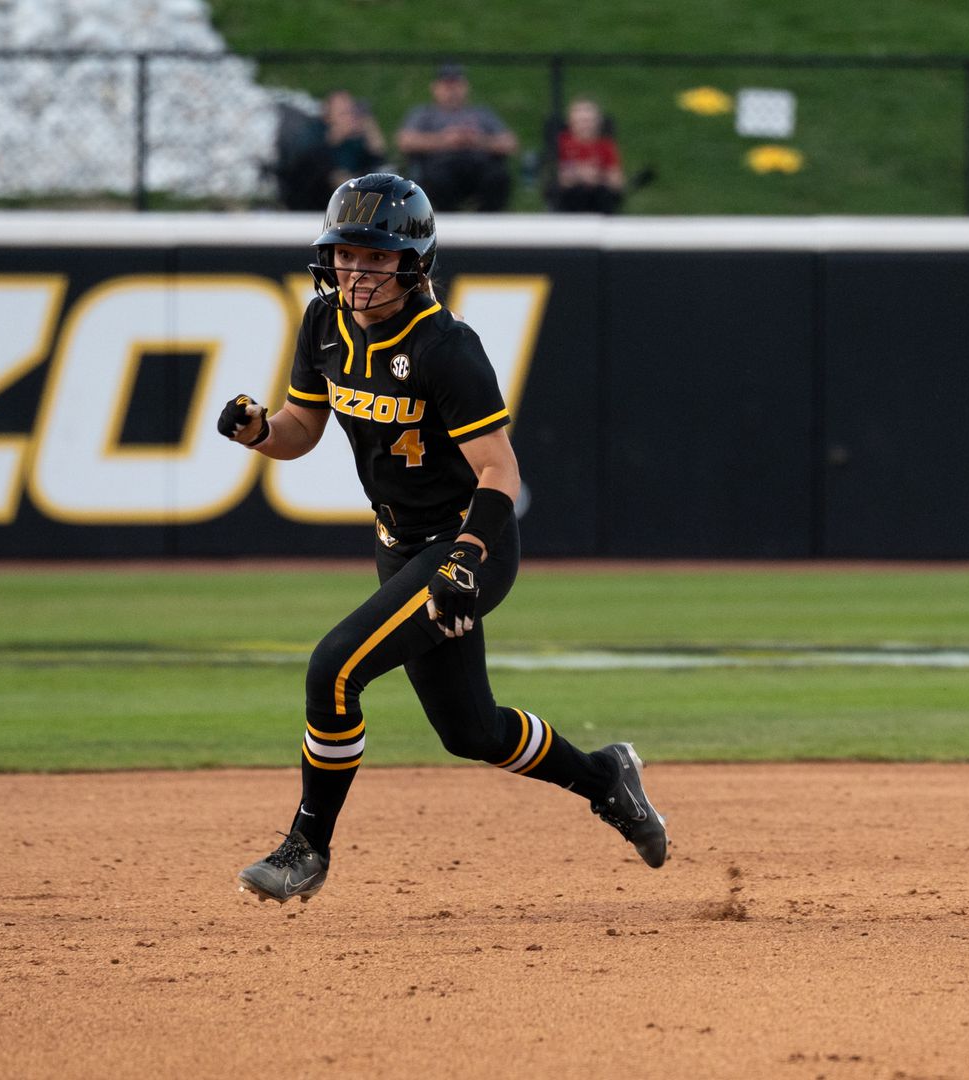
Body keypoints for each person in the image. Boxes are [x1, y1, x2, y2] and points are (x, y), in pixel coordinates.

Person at [216, 173, 667, 903]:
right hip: (400, 542)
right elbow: (301, 431)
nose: (357, 272)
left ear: (413, 261)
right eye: (346, 255)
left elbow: (500, 471)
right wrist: (260, 433)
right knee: (473, 732)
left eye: (376, 256)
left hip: (467, 544)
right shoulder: (321, 323)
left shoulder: (445, 347)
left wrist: (464, 559)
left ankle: (307, 847)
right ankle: (605, 778)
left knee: (333, 670)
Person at [395, 64, 517, 213]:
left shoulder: (482, 114)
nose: (452, 91)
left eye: (457, 85)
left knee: (497, 177)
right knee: (436, 180)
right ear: (435, 88)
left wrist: (479, 141)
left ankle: (487, 222)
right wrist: (445, 140)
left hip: (478, 165)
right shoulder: (424, 114)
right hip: (441, 166)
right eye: (447, 86)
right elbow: (405, 141)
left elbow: (510, 143)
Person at [276, 90, 387, 212]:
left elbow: (378, 159)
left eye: (352, 112)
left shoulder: (356, 140)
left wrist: (369, 126)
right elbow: (304, 164)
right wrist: (334, 139)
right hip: (310, 204)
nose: (349, 118)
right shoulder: (314, 133)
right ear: (328, 117)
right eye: (343, 114)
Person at [552, 97, 625, 214]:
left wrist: (598, 176)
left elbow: (617, 181)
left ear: (598, 122)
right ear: (571, 122)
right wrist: (580, 174)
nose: (585, 125)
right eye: (581, 121)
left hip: (599, 200)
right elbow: (555, 177)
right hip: (570, 201)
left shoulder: (605, 146)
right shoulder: (560, 143)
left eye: (589, 121)